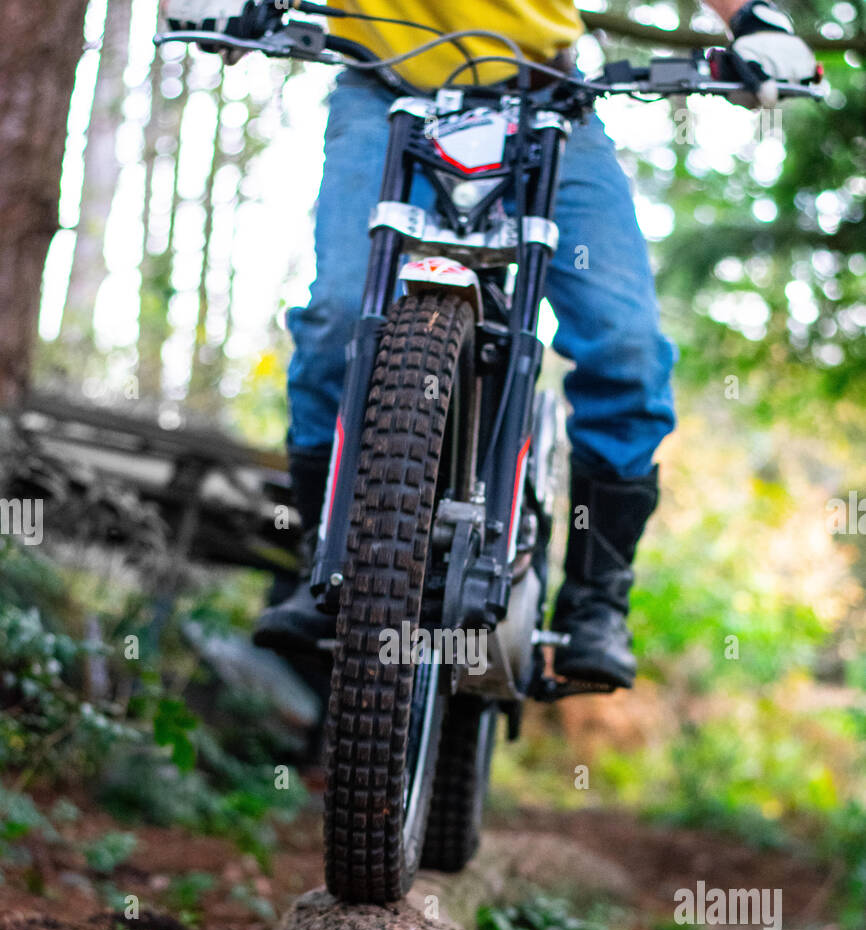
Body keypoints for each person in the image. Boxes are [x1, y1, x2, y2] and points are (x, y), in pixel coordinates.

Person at [163, 0, 816, 688]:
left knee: (627, 349)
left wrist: (752, 21)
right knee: (335, 318)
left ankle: (597, 603)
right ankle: (322, 556)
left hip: (548, 99)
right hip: (384, 94)